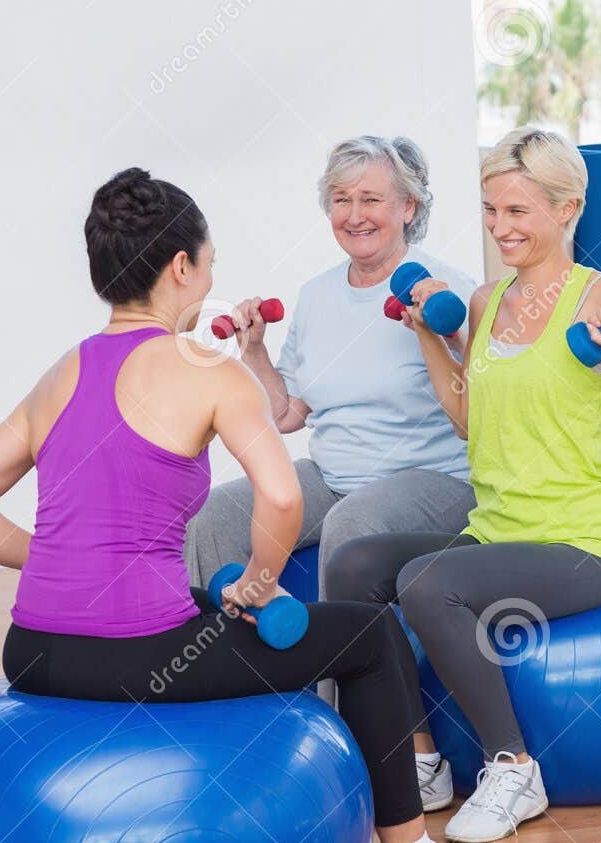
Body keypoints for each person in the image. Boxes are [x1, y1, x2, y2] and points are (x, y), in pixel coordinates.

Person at [0, 168, 517, 843]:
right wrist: (263, 580)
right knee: (364, 633)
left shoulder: (63, 370)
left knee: (211, 603)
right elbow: (280, 493)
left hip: (35, 650)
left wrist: (50, 558)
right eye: (208, 262)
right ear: (180, 267)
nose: (209, 277)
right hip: (137, 652)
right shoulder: (208, 367)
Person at [326, 127, 601, 843]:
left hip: (582, 541)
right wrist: (427, 337)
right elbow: (470, 420)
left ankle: (512, 768)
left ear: (568, 210)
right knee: (355, 564)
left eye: (518, 213)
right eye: (492, 211)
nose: (501, 229)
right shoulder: (485, 302)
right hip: (496, 530)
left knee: (427, 582)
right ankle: (421, 758)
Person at [183, 136, 476, 600]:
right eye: (342, 200)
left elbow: (480, 410)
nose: (355, 215)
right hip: (333, 478)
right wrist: (254, 350)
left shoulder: (448, 290)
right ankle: (230, 666)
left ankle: (339, 673)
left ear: (409, 208)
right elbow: (286, 415)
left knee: (352, 523)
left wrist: (445, 335)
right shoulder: (316, 295)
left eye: (372, 200)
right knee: (212, 519)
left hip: (437, 481)